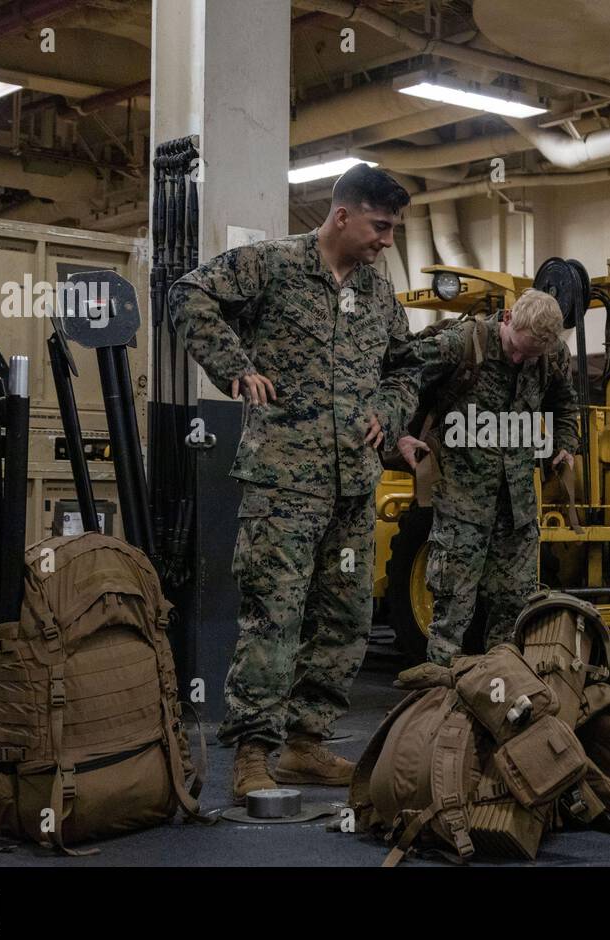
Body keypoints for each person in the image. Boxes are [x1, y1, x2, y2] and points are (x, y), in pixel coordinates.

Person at [168, 164, 416, 799]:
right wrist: (235, 368)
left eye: (392, 230)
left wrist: (387, 417)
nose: (387, 241)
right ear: (342, 216)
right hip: (284, 482)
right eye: (380, 227)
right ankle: (254, 754)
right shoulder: (271, 266)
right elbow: (187, 294)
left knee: (345, 618)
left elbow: (405, 369)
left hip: (353, 488)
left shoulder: (379, 296)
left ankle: (307, 745)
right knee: (272, 616)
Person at [392, 289, 579, 665]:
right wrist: (400, 432)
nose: (518, 360)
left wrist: (565, 443)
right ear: (507, 318)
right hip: (462, 501)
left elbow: (564, 403)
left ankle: (501, 684)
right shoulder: (461, 344)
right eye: (515, 350)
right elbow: (400, 373)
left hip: (519, 508)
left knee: (515, 605)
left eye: (529, 357)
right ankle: (439, 694)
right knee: (451, 607)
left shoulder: (553, 356)